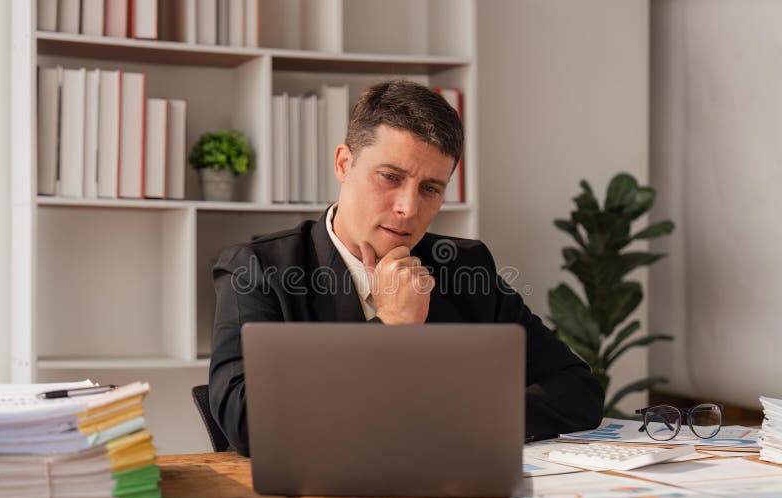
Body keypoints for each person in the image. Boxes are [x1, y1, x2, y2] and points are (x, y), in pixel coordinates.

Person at [209, 80, 604, 456]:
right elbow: (247, 420)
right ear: (344, 164)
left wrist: (452, 421)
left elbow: (577, 389)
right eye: (390, 177)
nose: (408, 209)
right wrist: (391, 327)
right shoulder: (257, 269)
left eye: (430, 189)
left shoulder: (467, 267)